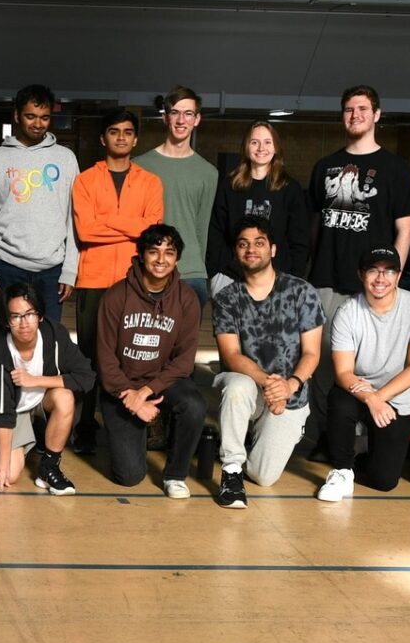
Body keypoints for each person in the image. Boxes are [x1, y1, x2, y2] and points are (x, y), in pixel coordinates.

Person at [306, 85, 410, 454]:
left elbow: (405, 227)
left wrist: (395, 274)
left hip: (374, 285)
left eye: (363, 109)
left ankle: (369, 439)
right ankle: (329, 436)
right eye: (349, 109)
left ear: (377, 114)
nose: (355, 115)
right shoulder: (324, 167)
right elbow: (314, 226)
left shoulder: (396, 169)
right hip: (326, 279)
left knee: (374, 364)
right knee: (325, 367)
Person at [211, 216, 324, 508]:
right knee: (236, 387)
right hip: (251, 385)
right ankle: (232, 470)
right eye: (243, 244)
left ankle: (244, 440)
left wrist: (290, 386)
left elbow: (312, 353)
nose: (251, 249)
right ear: (236, 252)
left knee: (263, 476)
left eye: (259, 243)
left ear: (272, 249)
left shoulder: (301, 292)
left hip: (290, 394)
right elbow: (231, 355)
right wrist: (270, 384)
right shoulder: (227, 298)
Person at [71, 109, 163, 452]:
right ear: (103, 138)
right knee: (91, 355)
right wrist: (131, 224)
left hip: (135, 281)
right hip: (93, 279)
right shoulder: (84, 180)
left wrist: (107, 220)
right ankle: (85, 425)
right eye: (114, 131)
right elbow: (85, 230)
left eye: (127, 132)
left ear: (135, 139)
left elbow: (152, 231)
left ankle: (132, 422)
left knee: (135, 355)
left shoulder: (151, 182)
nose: (121, 137)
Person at [96, 224, 205, 497]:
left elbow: (184, 362)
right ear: (141, 255)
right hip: (122, 386)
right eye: (154, 251)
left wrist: (145, 392)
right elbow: (105, 358)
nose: (161, 259)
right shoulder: (116, 296)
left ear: (177, 258)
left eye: (169, 252)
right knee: (129, 477)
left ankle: (175, 476)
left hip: (161, 383)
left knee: (193, 404)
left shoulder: (187, 299)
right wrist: (130, 397)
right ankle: (140, 431)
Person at [318, 247, 410, 500]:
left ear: (398, 275)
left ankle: (363, 448)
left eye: (388, 271)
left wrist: (380, 398)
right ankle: (342, 471)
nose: (380, 278)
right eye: (373, 270)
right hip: (357, 390)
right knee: (340, 401)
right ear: (361, 274)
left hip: (395, 395)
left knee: (383, 481)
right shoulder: (347, 311)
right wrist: (371, 399)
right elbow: (343, 372)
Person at [0, 84, 79, 321]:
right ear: (16, 116)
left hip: (52, 269)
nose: (37, 124)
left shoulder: (66, 158)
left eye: (44, 118)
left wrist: (70, 271)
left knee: (49, 337)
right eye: (30, 116)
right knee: (5, 336)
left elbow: (73, 218)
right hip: (6, 266)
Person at [0, 283, 95, 494]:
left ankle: (49, 467)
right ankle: (20, 448)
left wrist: (36, 380)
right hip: (11, 412)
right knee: (10, 475)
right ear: (7, 321)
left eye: (30, 314)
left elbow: (86, 377)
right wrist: (3, 469)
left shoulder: (54, 334)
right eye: (15, 316)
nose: (24, 323)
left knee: (64, 397)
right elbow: (2, 411)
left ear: (40, 316)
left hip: (42, 399)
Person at [206, 120, 308, 297]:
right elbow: (216, 232)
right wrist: (219, 270)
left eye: (267, 142)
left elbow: (299, 239)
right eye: (255, 142)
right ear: (246, 147)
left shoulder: (290, 188)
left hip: (277, 280)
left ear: (276, 147)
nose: (261, 148)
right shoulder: (229, 186)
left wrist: (293, 277)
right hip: (233, 276)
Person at [137, 86, 217, 307]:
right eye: (175, 112)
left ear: (197, 119)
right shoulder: (140, 166)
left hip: (191, 273)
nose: (182, 120)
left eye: (188, 113)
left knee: (186, 343)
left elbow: (202, 228)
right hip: (150, 269)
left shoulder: (208, 173)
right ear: (165, 118)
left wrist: (199, 269)